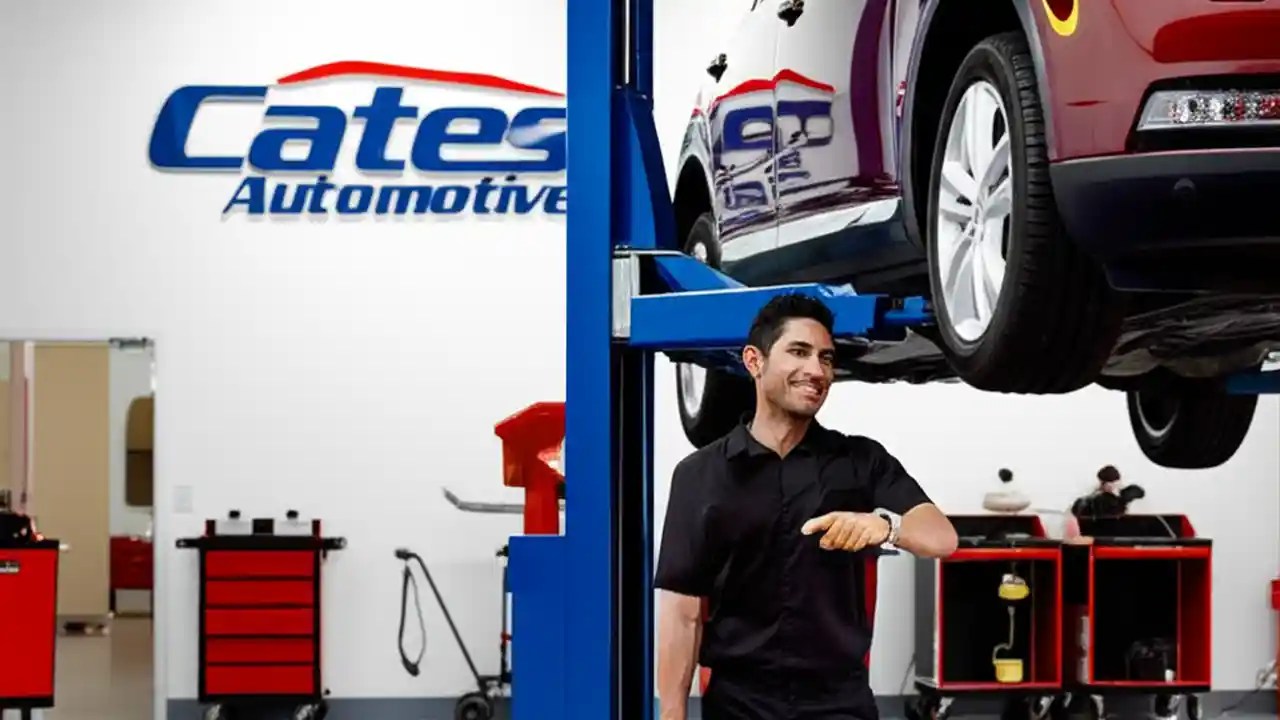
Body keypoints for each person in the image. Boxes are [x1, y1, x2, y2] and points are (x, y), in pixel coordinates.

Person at [654, 293, 959, 720]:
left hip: (838, 702)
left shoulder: (860, 462)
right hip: (739, 704)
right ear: (754, 361)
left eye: (827, 358)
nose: (816, 371)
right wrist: (671, 713)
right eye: (799, 352)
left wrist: (886, 526)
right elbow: (682, 613)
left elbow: (942, 538)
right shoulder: (699, 475)